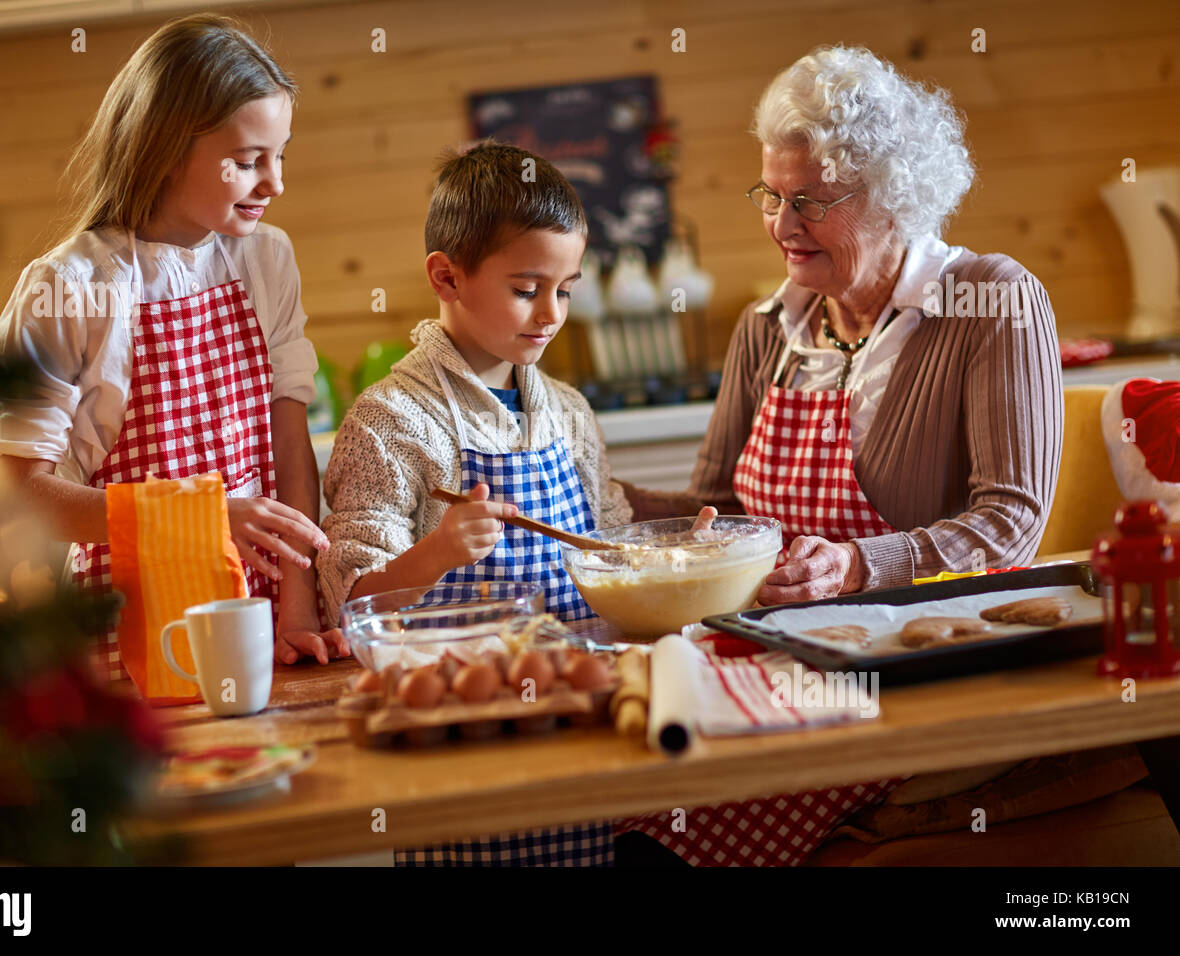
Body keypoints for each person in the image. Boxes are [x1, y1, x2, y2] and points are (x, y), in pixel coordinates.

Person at [616, 44, 1064, 866]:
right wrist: (607, 500)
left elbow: (1012, 524)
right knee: (611, 778)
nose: (783, 226)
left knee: (672, 822)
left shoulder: (990, 301)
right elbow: (714, 510)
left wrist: (856, 566)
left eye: (812, 201)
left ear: (895, 197)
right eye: (772, 196)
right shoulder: (767, 327)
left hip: (904, 671)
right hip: (771, 657)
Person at [0, 14, 350, 679]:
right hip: (128, 630)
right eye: (247, 162)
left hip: (265, 617)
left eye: (280, 155)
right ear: (164, 149)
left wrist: (299, 606)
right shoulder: (68, 288)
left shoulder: (265, 259)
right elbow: (23, 495)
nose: (275, 183)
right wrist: (203, 517)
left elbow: (287, 443)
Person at [318, 142, 633, 865]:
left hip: (573, 729)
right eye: (528, 288)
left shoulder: (568, 411)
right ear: (446, 275)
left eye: (567, 288)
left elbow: (614, 547)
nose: (552, 313)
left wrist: (667, 558)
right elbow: (350, 604)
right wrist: (439, 552)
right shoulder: (392, 420)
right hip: (457, 739)